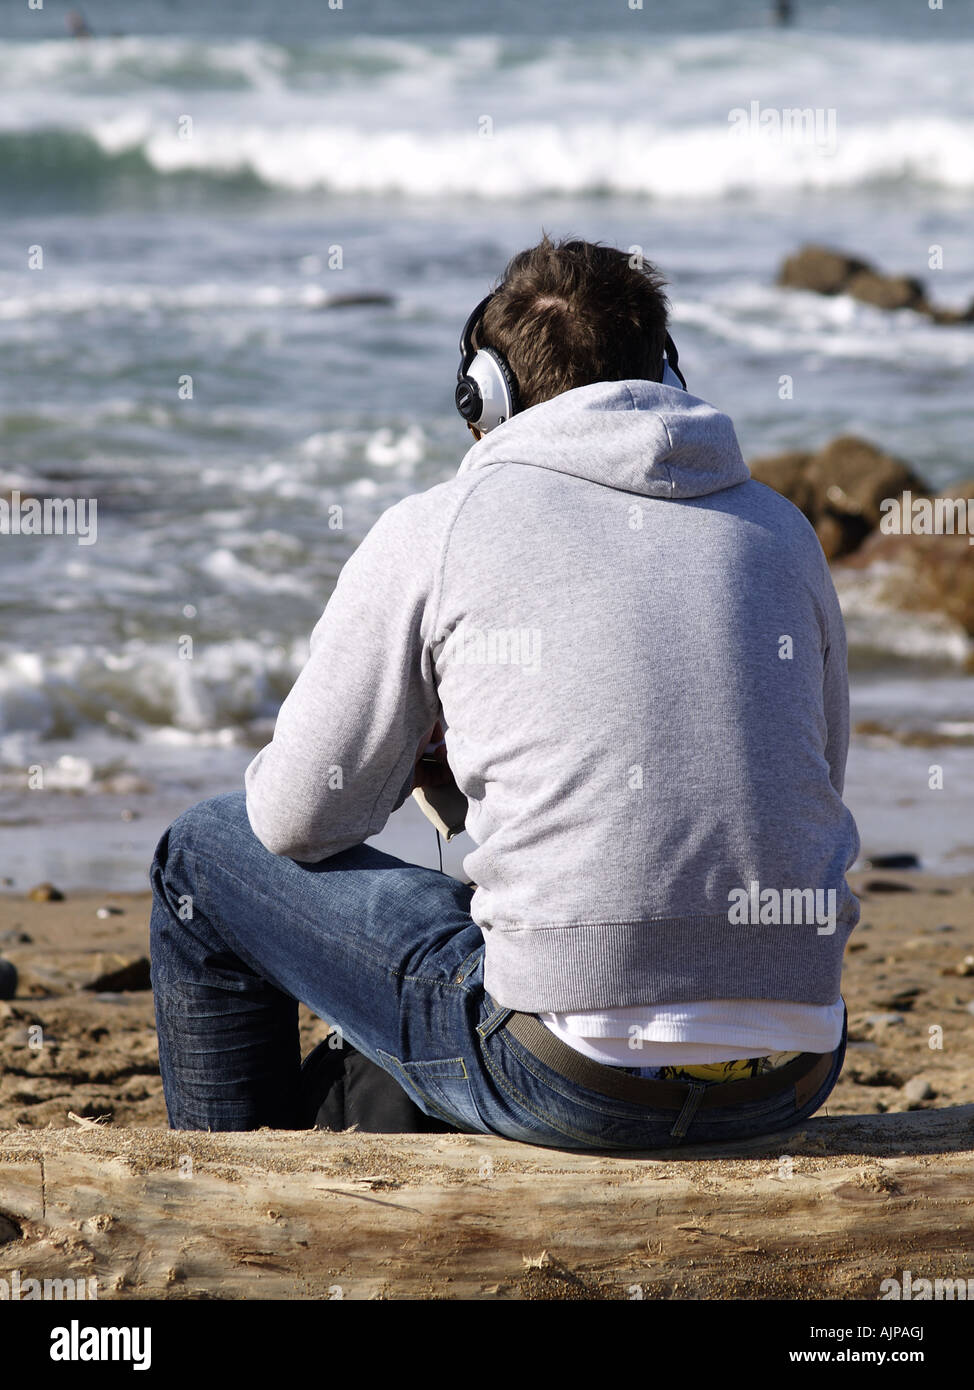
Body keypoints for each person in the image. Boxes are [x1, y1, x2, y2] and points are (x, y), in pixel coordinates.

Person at [149, 235, 859, 1150]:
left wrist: (408, 750)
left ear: (482, 395)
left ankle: (227, 1206)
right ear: (668, 373)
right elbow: (806, 784)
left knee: (202, 856)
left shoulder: (437, 528)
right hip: (793, 1065)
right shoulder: (782, 530)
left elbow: (294, 821)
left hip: (566, 1073)